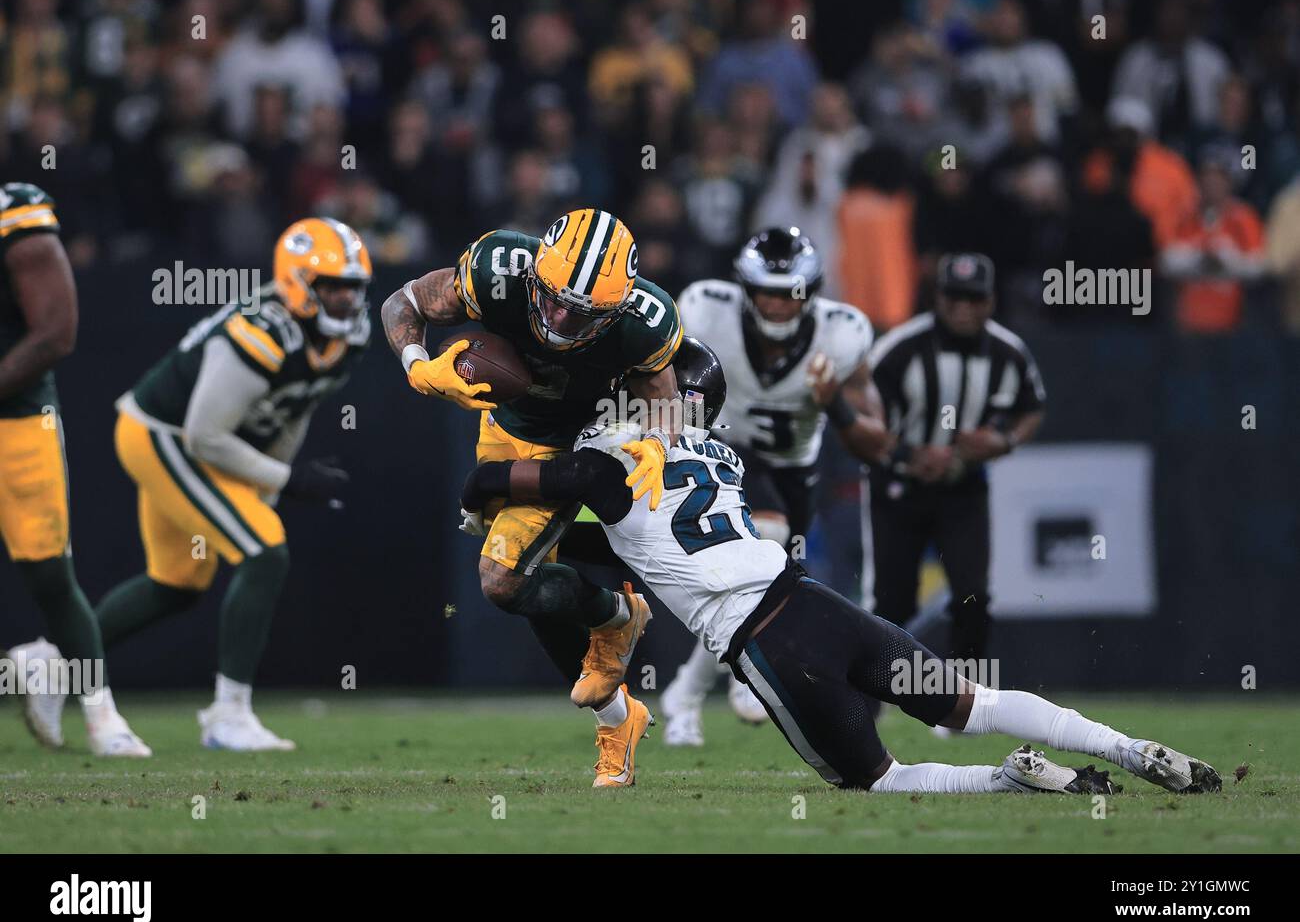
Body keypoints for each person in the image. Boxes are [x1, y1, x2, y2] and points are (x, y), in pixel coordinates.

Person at [458, 338, 1223, 796]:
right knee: (976, 702)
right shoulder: (716, 450)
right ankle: (1125, 746)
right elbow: (643, 541)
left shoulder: (600, 468)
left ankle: (1003, 779)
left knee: (879, 780)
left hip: (767, 646)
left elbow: (501, 486)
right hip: (817, 602)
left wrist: (490, 471)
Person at [379, 208, 683, 787]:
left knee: (502, 579)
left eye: (582, 311)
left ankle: (616, 619)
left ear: (617, 306)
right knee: (534, 582)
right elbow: (405, 304)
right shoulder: (500, 266)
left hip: (579, 447)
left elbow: (666, 396)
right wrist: (416, 365)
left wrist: (658, 441)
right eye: (553, 298)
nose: (562, 317)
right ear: (536, 271)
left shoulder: (644, 319)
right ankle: (619, 704)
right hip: (503, 432)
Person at [89, 218, 370, 751]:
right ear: (297, 281)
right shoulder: (260, 331)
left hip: (203, 443)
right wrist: (287, 481)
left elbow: (294, 409)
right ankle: (228, 714)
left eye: (352, 287)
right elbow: (204, 436)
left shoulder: (348, 337)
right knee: (265, 551)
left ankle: (54, 663)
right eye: (331, 285)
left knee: (177, 581)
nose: (343, 299)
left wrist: (271, 481)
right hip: (164, 435)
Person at [661, 227, 892, 745]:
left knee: (758, 584)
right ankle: (743, 674)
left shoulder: (843, 333)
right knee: (766, 535)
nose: (779, 305)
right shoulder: (703, 308)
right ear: (745, 288)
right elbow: (650, 373)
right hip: (719, 450)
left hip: (794, 470)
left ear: (810, 292)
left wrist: (834, 400)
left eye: (790, 292)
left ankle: (686, 691)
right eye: (768, 291)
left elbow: (876, 444)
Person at [0, 182, 149, 757]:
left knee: (49, 577)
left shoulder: (17, 216)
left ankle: (99, 711)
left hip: (14, 417)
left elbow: (56, 332)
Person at [865, 253, 1044, 687]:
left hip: (963, 488)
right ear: (937, 298)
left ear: (990, 301)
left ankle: (966, 699)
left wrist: (1004, 442)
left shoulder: (1008, 352)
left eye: (973, 298)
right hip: (899, 488)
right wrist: (908, 453)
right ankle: (876, 691)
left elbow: (1033, 408)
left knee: (972, 595)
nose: (963, 307)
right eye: (954, 297)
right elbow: (861, 416)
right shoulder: (900, 349)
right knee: (893, 600)